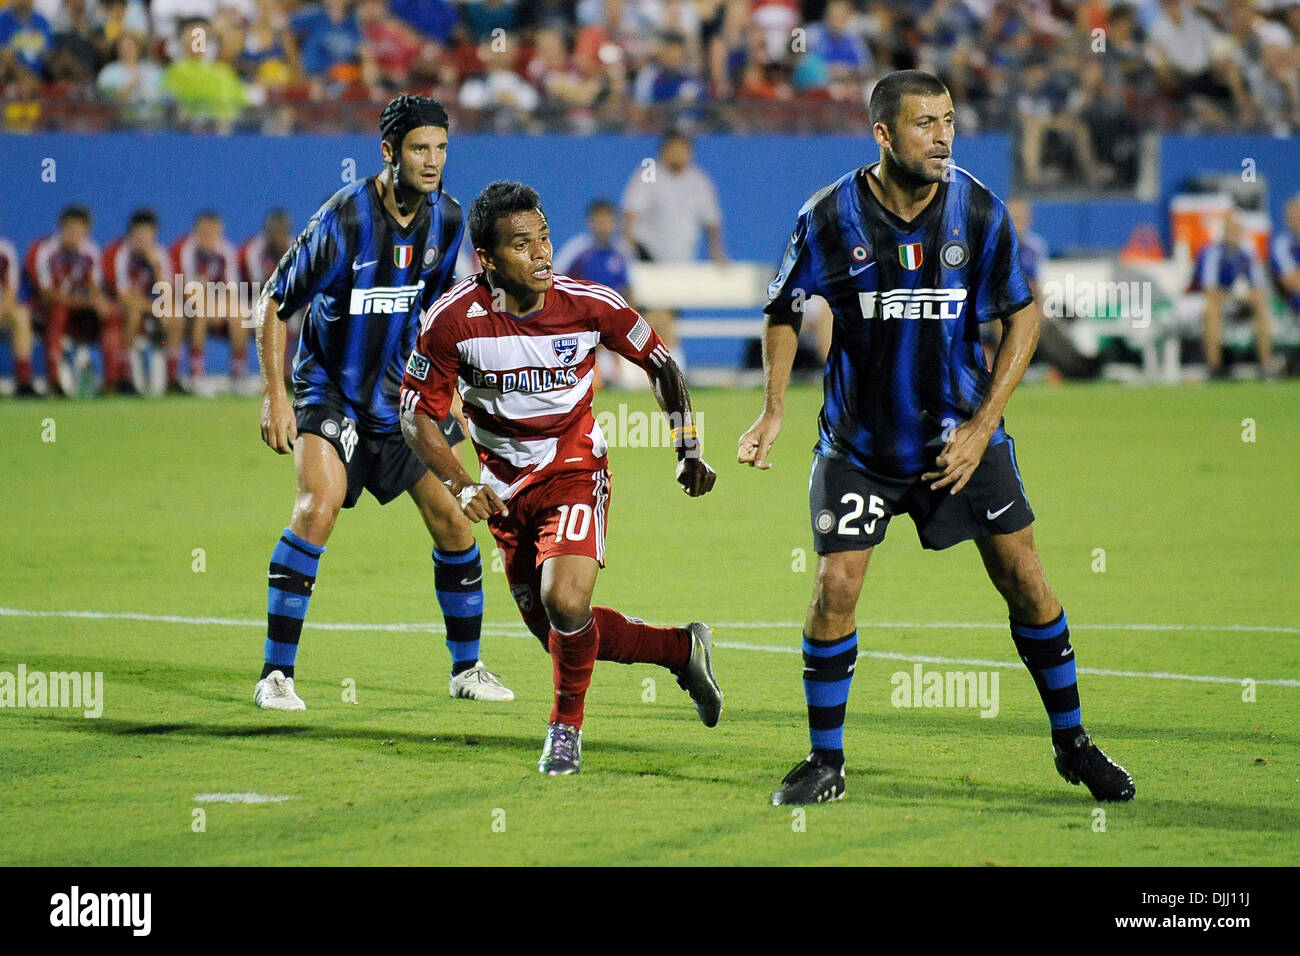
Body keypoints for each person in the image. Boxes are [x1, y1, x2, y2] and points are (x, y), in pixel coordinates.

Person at [738, 70, 1135, 806]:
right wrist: (773, 411)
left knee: (1025, 581)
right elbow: (785, 308)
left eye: (949, 119)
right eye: (925, 123)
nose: (943, 135)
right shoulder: (829, 216)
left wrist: (984, 427)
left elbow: (1024, 315)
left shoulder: (978, 208)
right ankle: (827, 762)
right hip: (860, 447)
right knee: (835, 588)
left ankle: (1073, 743)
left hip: (961, 439)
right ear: (884, 134)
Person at [399, 180, 722, 775]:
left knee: (565, 599)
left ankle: (564, 732)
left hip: (576, 469)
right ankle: (681, 649)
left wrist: (687, 445)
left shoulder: (591, 303)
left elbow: (660, 363)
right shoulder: (452, 322)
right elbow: (416, 411)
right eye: (523, 245)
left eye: (545, 237)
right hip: (503, 494)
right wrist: (462, 483)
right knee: (560, 634)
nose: (543, 253)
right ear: (488, 260)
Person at [254, 94, 513, 711]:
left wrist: (449, 387)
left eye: (441, 148)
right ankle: (275, 675)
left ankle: (467, 669)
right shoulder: (343, 221)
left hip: (401, 404)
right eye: (420, 148)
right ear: (388, 152)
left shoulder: (448, 220)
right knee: (317, 508)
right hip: (330, 395)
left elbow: (439, 310)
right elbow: (272, 302)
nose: (432, 160)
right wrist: (273, 398)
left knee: (456, 517)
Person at [620, 130, 726, 363]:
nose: (677, 154)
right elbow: (630, 212)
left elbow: (711, 222)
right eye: (672, 149)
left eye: (682, 149)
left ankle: (663, 369)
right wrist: (627, 249)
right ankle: (669, 370)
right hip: (646, 253)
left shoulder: (699, 180)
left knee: (662, 318)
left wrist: (716, 252)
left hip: (678, 262)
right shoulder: (649, 174)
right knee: (656, 315)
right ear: (663, 151)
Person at [26, 206, 127, 397]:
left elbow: (95, 287)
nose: (74, 236)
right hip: (44, 312)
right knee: (58, 310)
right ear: (60, 229)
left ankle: (112, 383)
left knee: (111, 312)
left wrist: (99, 302)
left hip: (78, 313)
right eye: (70, 230)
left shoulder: (90, 250)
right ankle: (54, 382)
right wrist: (86, 302)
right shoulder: (42, 250)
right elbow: (46, 294)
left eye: (80, 232)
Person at [553, 198, 636, 387]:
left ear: (615, 222)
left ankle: (619, 375)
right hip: (583, 319)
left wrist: (630, 318)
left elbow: (631, 289)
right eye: (599, 220)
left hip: (616, 319)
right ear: (590, 221)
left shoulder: (623, 251)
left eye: (607, 220)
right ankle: (598, 376)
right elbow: (554, 280)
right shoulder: (577, 249)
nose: (603, 225)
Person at [103, 208, 182, 394]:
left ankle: (172, 379)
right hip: (120, 312)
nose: (143, 242)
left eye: (148, 237)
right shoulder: (118, 253)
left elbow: (168, 294)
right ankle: (123, 377)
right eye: (138, 237)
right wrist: (155, 309)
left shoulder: (159, 255)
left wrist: (156, 268)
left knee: (177, 317)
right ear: (130, 234)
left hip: (150, 311)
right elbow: (122, 296)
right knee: (133, 313)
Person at [170, 210, 248, 394]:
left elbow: (232, 291)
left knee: (240, 313)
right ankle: (196, 375)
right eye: (204, 233)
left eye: (214, 233)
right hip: (184, 308)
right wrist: (210, 307)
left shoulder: (226, 251)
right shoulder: (184, 250)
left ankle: (238, 376)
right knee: (201, 310)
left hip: (215, 306)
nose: (209, 238)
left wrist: (221, 308)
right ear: (195, 232)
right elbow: (187, 291)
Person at [1190, 210, 1273, 378]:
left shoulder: (1248, 254)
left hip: (1235, 301)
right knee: (1211, 310)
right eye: (1230, 229)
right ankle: (1215, 367)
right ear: (1224, 231)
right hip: (1205, 301)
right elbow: (1210, 291)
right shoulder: (1212, 252)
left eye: (1237, 229)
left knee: (1261, 307)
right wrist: (1238, 295)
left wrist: (1248, 297)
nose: (1233, 233)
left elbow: (1259, 288)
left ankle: (1266, 366)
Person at [0, 231, 36, 396]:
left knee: (21, 315)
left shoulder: (4, 251)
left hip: (1, 312)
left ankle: (23, 383)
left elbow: (10, 293)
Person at [1268, 194, 1300, 328]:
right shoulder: (1281, 245)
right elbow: (1292, 282)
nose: (1297, 220)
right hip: (1292, 305)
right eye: (1293, 216)